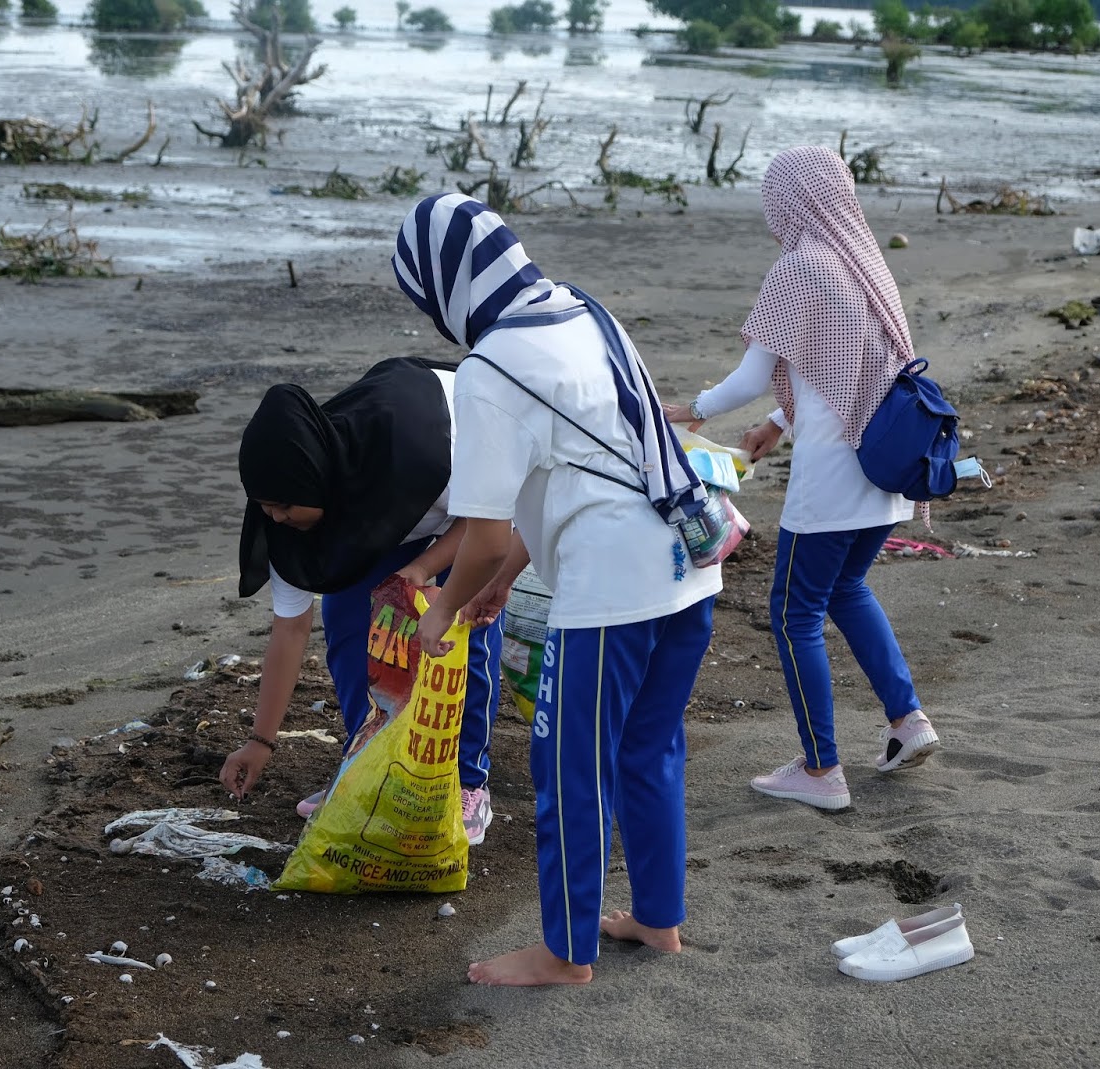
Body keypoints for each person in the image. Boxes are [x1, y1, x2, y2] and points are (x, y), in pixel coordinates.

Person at [396, 192, 723, 987]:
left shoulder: (488, 368)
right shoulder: (583, 309)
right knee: (650, 747)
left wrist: (442, 609)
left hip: (612, 589)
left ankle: (566, 952)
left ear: (443, 286)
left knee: (571, 765)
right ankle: (658, 919)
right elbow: (583, 465)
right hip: (689, 559)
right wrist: (507, 578)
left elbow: (483, 534)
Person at [663, 144, 940, 813]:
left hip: (833, 480)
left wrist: (690, 409)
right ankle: (907, 719)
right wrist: (777, 423)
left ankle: (821, 768)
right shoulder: (862, 259)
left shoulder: (800, 267)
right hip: (883, 474)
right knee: (845, 588)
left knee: (793, 615)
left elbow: (752, 376)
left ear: (791, 201)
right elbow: (845, 369)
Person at [219, 357, 504, 846]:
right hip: (374, 518)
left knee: (462, 630)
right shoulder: (286, 523)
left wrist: (422, 570)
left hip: (470, 495)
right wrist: (260, 741)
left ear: (315, 479)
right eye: (265, 508)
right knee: (350, 623)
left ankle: (466, 782)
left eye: (284, 506)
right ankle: (368, 769)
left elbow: (488, 524)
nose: (276, 518)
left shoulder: (421, 453)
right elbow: (290, 631)